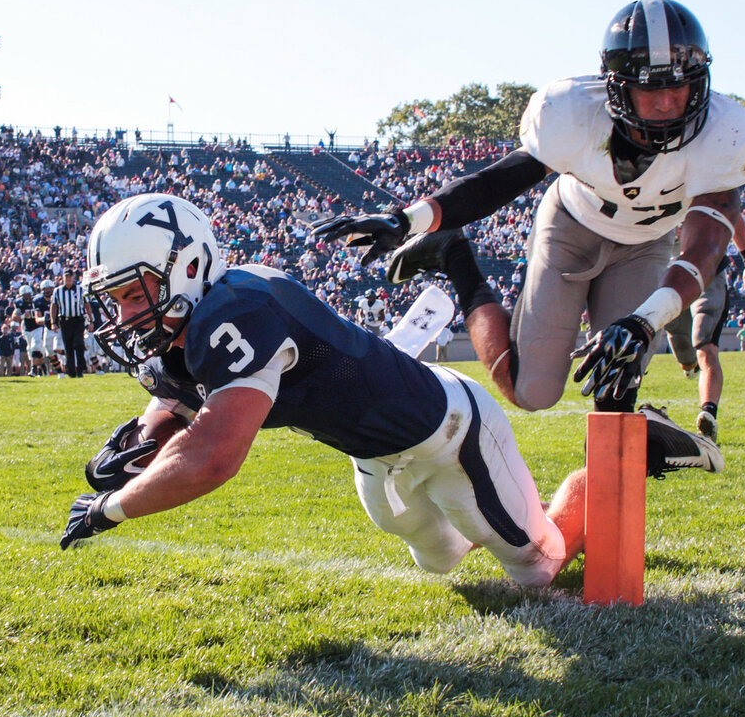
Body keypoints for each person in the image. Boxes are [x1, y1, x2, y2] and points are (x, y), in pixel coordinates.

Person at [59, 194, 586, 586]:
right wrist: (140, 443)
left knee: (537, 568)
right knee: (441, 559)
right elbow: (175, 402)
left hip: (451, 432)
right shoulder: (191, 322)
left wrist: (113, 508)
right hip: (375, 455)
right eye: (116, 299)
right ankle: (510, 507)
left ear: (190, 267)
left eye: (135, 295)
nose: (125, 316)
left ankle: (586, 489)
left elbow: (212, 456)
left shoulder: (240, 309)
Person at [315, 0, 745, 459]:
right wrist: (406, 220)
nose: (668, 104)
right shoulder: (573, 111)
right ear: (618, 89)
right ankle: (453, 254)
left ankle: (617, 461)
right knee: (532, 391)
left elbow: (704, 250)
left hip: (647, 243)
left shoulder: (728, 135)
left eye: (680, 87)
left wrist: (646, 322)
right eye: (651, 91)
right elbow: (497, 182)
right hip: (572, 224)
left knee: (618, 374)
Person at [664, 223, 745, 442]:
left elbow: (733, 217)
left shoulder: (709, 199)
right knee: (684, 351)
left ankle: (708, 415)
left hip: (708, 271)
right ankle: (690, 365)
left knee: (705, 345)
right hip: (669, 276)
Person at [49, 268, 88, 378]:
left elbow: (86, 304)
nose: (68, 278)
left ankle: (80, 369)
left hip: (78, 319)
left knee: (78, 344)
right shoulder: (58, 291)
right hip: (65, 320)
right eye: (66, 276)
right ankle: (71, 371)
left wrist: (91, 319)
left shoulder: (80, 290)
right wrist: (53, 322)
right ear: (63, 277)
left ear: (73, 277)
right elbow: (54, 306)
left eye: (70, 276)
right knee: (68, 347)